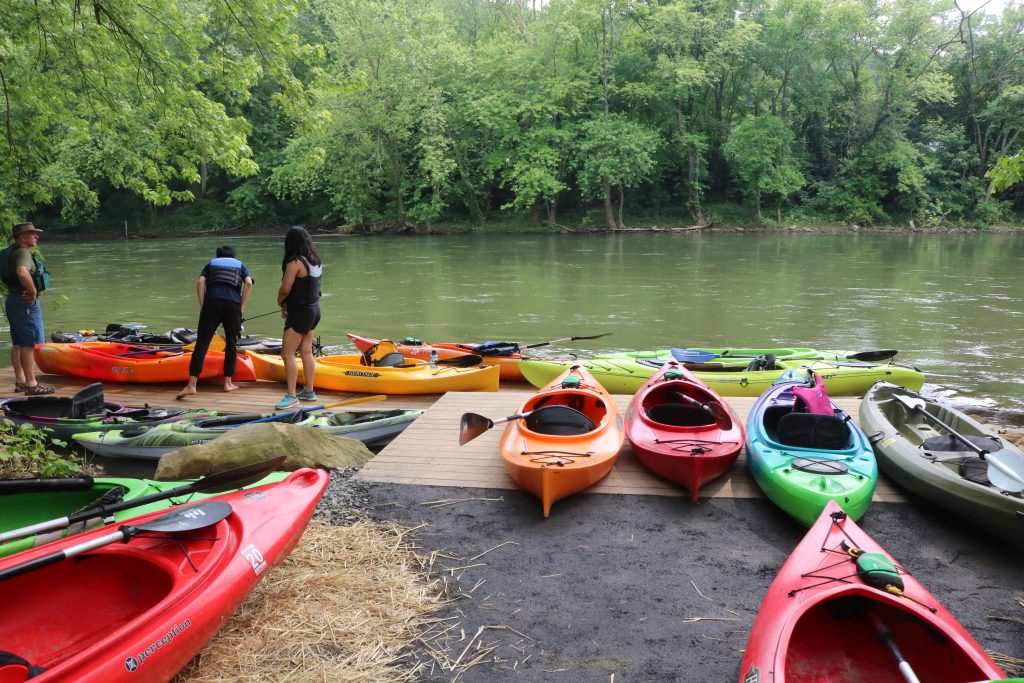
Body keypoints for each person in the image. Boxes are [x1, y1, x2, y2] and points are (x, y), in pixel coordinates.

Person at [176, 245, 254, 399]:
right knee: (231, 344)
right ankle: (228, 383)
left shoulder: (211, 264)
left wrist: (202, 305)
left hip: (211, 303)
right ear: (233, 256)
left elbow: (200, 283)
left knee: (202, 344)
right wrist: (241, 306)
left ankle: (191, 385)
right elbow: (249, 283)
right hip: (233, 305)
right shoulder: (240, 265)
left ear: (218, 256)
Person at [4, 222, 53, 395]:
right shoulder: (23, 253)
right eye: (32, 233)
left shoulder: (11, 252)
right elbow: (21, 272)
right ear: (22, 237)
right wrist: (32, 291)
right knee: (28, 344)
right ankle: (32, 385)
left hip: (13, 300)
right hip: (24, 302)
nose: (36, 236)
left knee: (18, 343)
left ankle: (21, 381)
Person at [276, 226, 322, 410]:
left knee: (287, 354)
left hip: (301, 312)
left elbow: (286, 288)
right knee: (306, 351)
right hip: (314, 309)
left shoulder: (294, 262)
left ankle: (291, 396)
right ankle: (309, 391)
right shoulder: (315, 259)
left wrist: (280, 302)